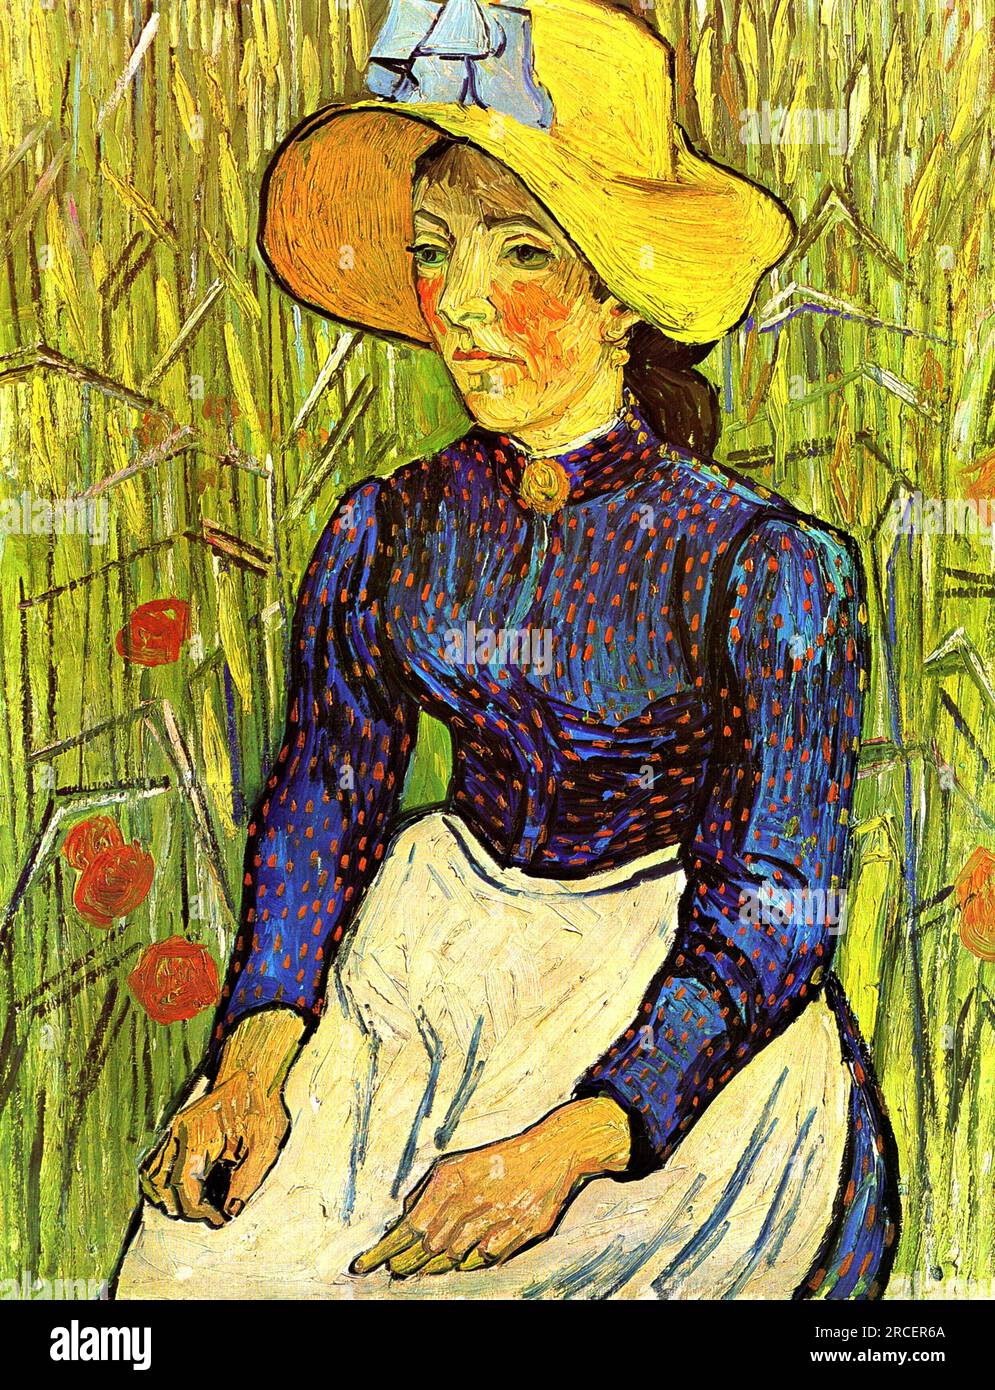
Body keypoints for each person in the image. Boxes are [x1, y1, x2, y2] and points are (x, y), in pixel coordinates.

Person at [114, 0, 899, 1300]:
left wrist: (574, 1144)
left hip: (676, 1020)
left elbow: (777, 901)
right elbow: (326, 799)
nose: (462, 303)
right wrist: (250, 1060)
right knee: (201, 1271)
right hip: (429, 964)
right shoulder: (389, 529)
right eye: (434, 252)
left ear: (618, 295)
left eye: (520, 251)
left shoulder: (765, 566)